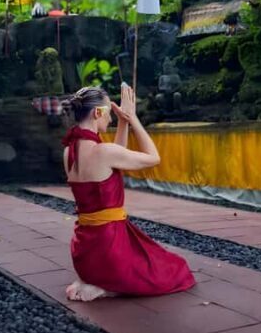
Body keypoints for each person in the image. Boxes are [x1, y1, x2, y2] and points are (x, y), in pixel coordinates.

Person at [62, 84, 195, 302]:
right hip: (109, 249)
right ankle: (109, 285)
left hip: (83, 252)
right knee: (178, 269)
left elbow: (115, 158)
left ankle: (98, 280)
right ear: (97, 113)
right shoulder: (104, 152)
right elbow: (154, 158)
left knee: (157, 260)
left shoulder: (69, 152)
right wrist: (133, 119)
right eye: (108, 113)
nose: (110, 119)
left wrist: (122, 121)